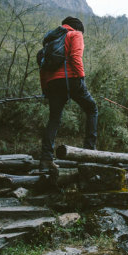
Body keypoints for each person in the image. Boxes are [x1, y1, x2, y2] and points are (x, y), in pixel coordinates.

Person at [39, 16, 98, 169]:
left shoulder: (51, 40)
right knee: (92, 109)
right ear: (78, 28)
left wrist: (45, 89)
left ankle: (46, 158)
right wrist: (81, 78)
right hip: (71, 79)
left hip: (52, 83)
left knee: (54, 119)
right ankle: (89, 152)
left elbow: (43, 68)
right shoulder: (75, 34)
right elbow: (75, 57)